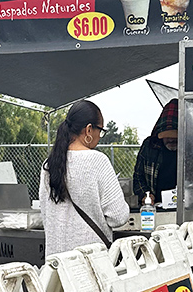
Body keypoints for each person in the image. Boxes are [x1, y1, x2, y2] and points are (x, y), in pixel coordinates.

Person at [39, 99, 129, 257]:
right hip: (90, 263)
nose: (99, 136)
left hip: (56, 265)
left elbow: (46, 214)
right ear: (88, 130)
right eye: (100, 130)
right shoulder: (97, 161)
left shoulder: (48, 164)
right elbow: (118, 216)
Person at [133, 98, 179, 204]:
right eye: (167, 136)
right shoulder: (149, 146)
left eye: (175, 137)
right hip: (155, 206)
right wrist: (145, 195)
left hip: (185, 207)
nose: (171, 139)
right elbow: (138, 177)